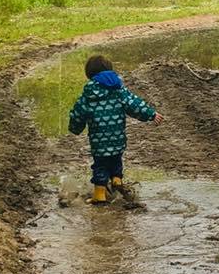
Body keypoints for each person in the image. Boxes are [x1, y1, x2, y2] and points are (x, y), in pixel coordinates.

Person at [68, 54, 162, 204]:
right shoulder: (119, 89)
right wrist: (151, 114)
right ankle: (117, 181)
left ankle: (99, 196)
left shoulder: (87, 94)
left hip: (99, 141)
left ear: (90, 74)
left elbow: (78, 113)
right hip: (118, 138)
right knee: (115, 160)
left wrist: (74, 128)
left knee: (100, 165)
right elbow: (134, 104)